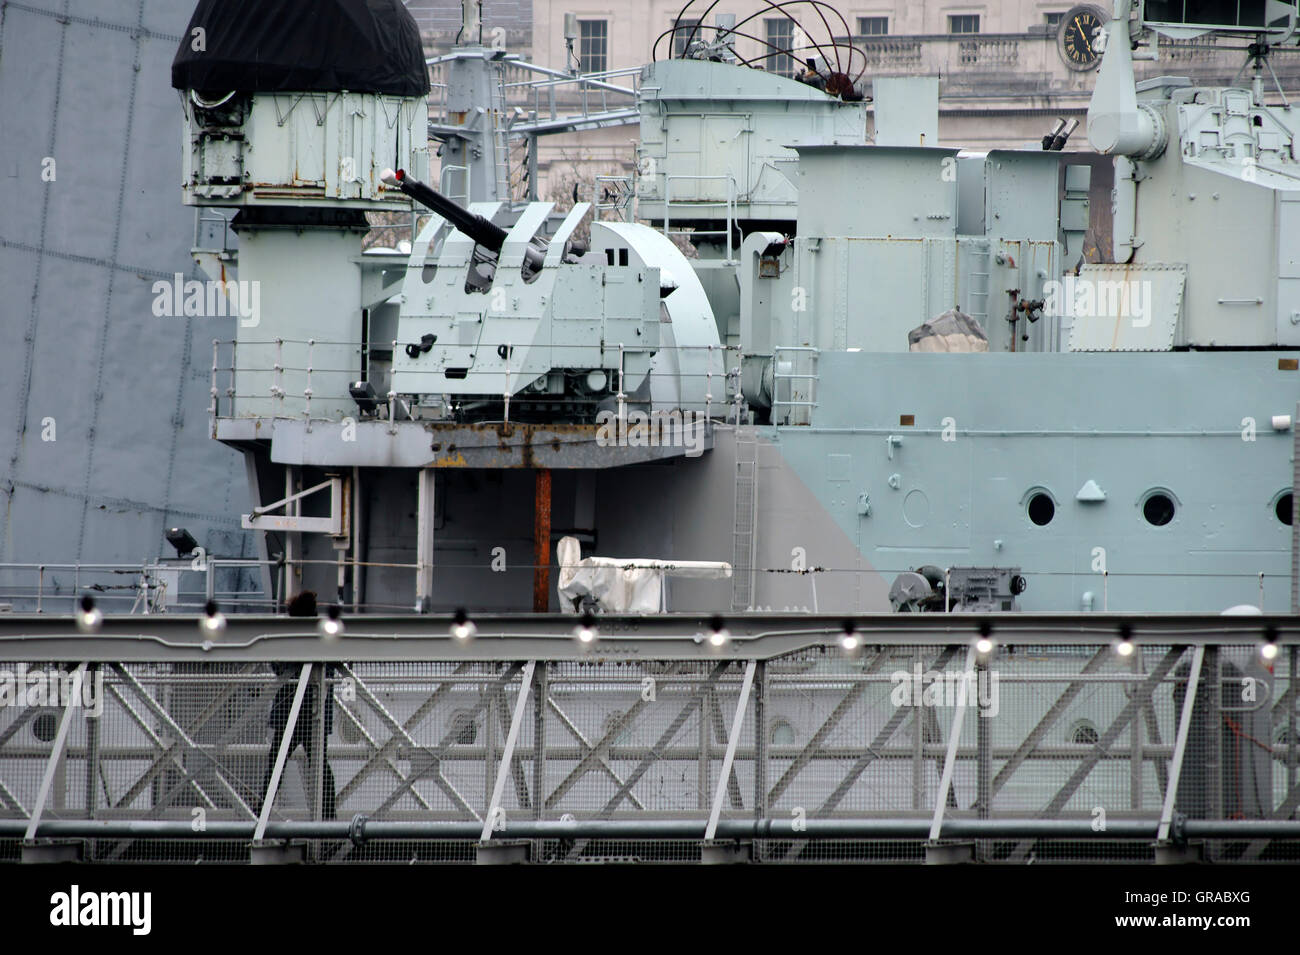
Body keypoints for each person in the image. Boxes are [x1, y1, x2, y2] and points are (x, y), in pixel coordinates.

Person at [258, 591, 337, 820]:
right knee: (320, 768)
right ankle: (329, 818)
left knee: (276, 762)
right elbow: (336, 664)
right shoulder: (325, 637)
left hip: (288, 711)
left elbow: (277, 666)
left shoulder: (287, 637)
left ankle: (262, 813)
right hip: (316, 713)